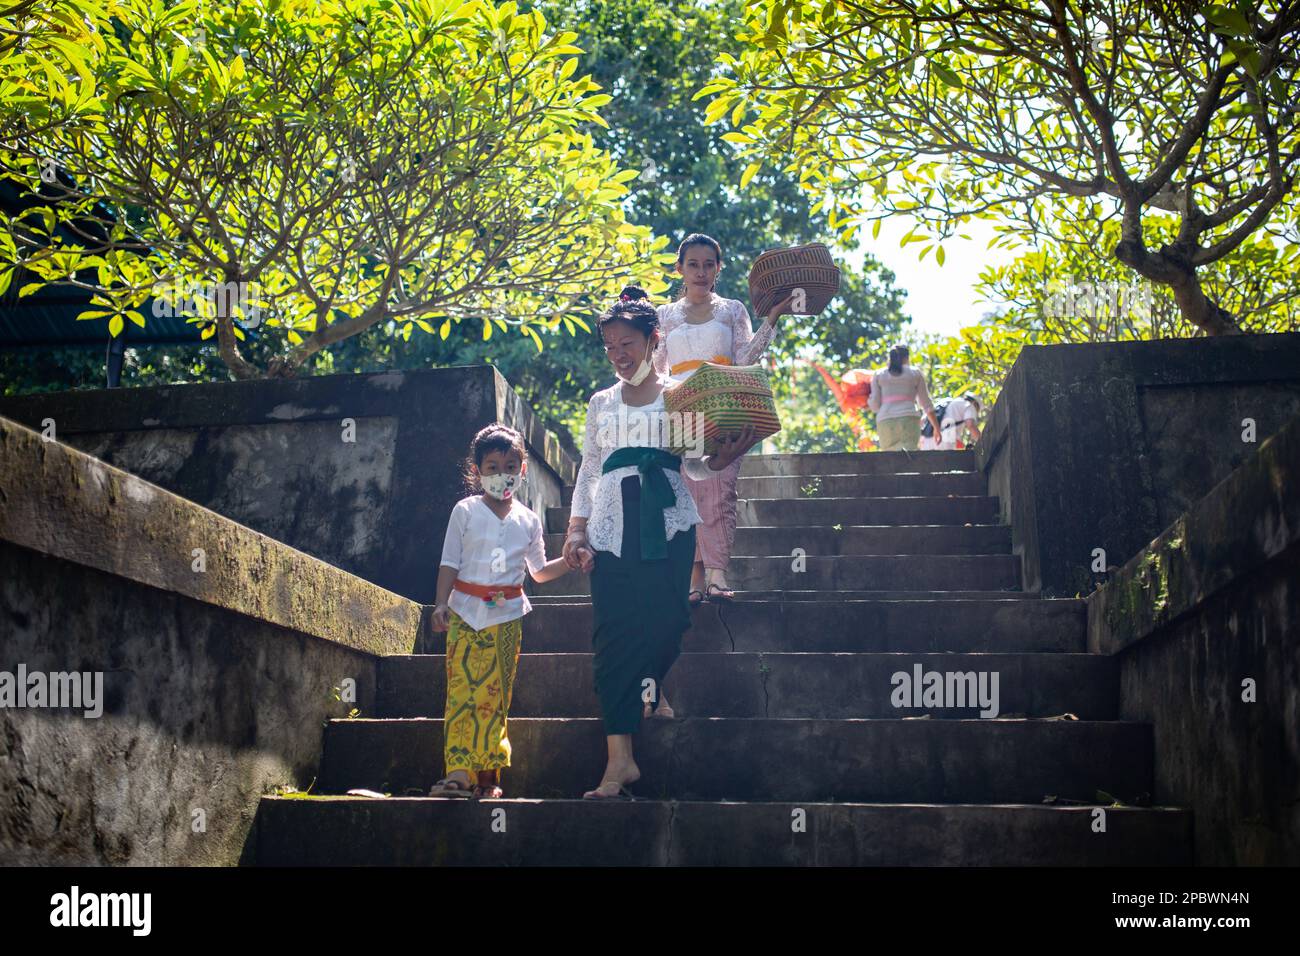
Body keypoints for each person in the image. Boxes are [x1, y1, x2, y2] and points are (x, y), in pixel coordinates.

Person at [564, 289, 757, 800]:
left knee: (669, 620)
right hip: (609, 526)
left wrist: (721, 459)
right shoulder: (600, 402)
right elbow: (588, 468)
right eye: (609, 347)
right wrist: (576, 531)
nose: (618, 354)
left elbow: (694, 462)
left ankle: (649, 680)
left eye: (626, 343)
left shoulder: (681, 394)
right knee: (612, 639)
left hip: (669, 521)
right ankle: (618, 762)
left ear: (654, 340)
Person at [427, 424, 571, 798]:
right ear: (476, 471)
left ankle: (489, 778)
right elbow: (448, 563)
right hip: (463, 613)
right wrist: (441, 603)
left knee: (495, 695)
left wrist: (570, 561)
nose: (501, 475)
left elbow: (539, 572)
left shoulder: (529, 520)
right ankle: (458, 773)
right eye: (491, 467)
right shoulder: (465, 511)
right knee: (461, 692)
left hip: (507, 619)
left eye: (510, 466)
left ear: (522, 470)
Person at [652, 233, 793, 604]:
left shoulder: (732, 310)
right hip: (681, 409)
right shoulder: (664, 316)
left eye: (709, 264)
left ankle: (718, 575)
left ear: (718, 268)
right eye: (693, 264)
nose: (701, 272)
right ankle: (694, 580)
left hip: (726, 408)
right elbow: (656, 369)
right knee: (686, 495)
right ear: (679, 269)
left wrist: (773, 317)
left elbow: (745, 358)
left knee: (719, 491)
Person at [868, 343, 941, 451]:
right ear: (907, 358)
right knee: (909, 460)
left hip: (886, 422)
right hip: (909, 419)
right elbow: (926, 404)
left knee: (890, 461)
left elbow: (874, 406)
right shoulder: (915, 373)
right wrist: (936, 428)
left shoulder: (879, 374)